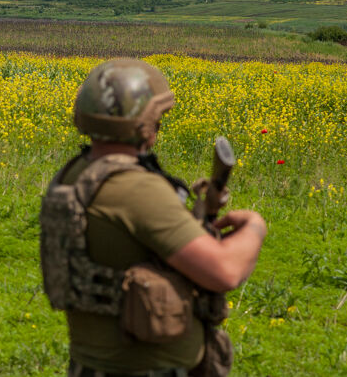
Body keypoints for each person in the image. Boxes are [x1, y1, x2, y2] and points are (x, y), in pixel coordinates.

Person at [40, 59, 267, 377]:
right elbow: (224, 271)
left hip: (91, 365)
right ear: (144, 122)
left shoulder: (75, 175)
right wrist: (254, 226)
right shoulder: (136, 190)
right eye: (158, 118)